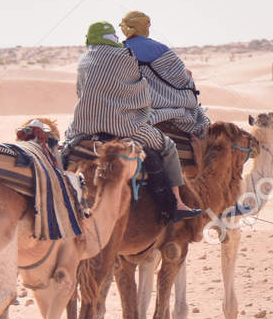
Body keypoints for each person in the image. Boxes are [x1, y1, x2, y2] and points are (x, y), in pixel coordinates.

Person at [63, 21, 200, 222]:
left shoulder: (84, 60)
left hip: (84, 126)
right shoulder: (126, 57)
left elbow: (80, 93)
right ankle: (177, 204)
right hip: (125, 127)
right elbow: (140, 91)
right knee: (168, 147)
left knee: (63, 148)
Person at [119, 10, 209, 136]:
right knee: (201, 119)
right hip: (158, 105)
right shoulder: (159, 48)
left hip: (127, 107)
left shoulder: (117, 50)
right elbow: (181, 77)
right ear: (144, 27)